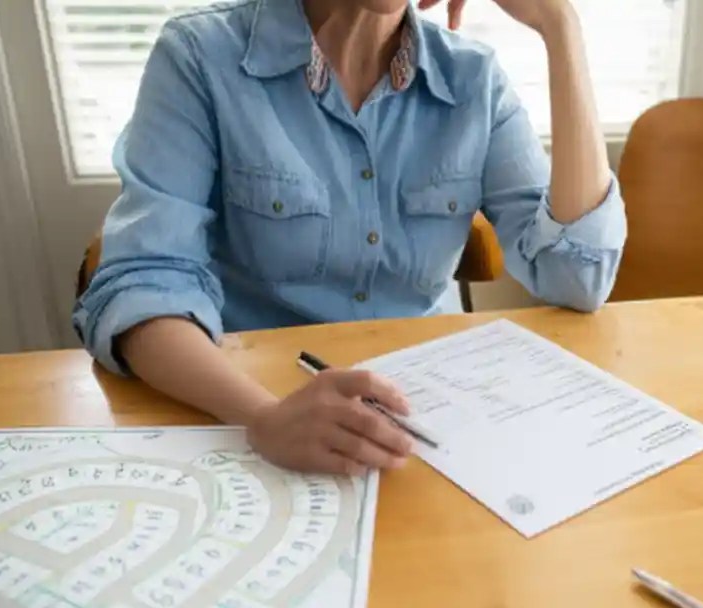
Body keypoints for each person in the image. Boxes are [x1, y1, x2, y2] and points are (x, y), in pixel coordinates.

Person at [74, 0, 626, 475]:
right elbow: (143, 286)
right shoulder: (199, 56)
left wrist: (560, 25)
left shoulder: (473, 80)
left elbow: (577, 276)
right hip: (248, 422)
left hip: (424, 431)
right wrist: (263, 416)